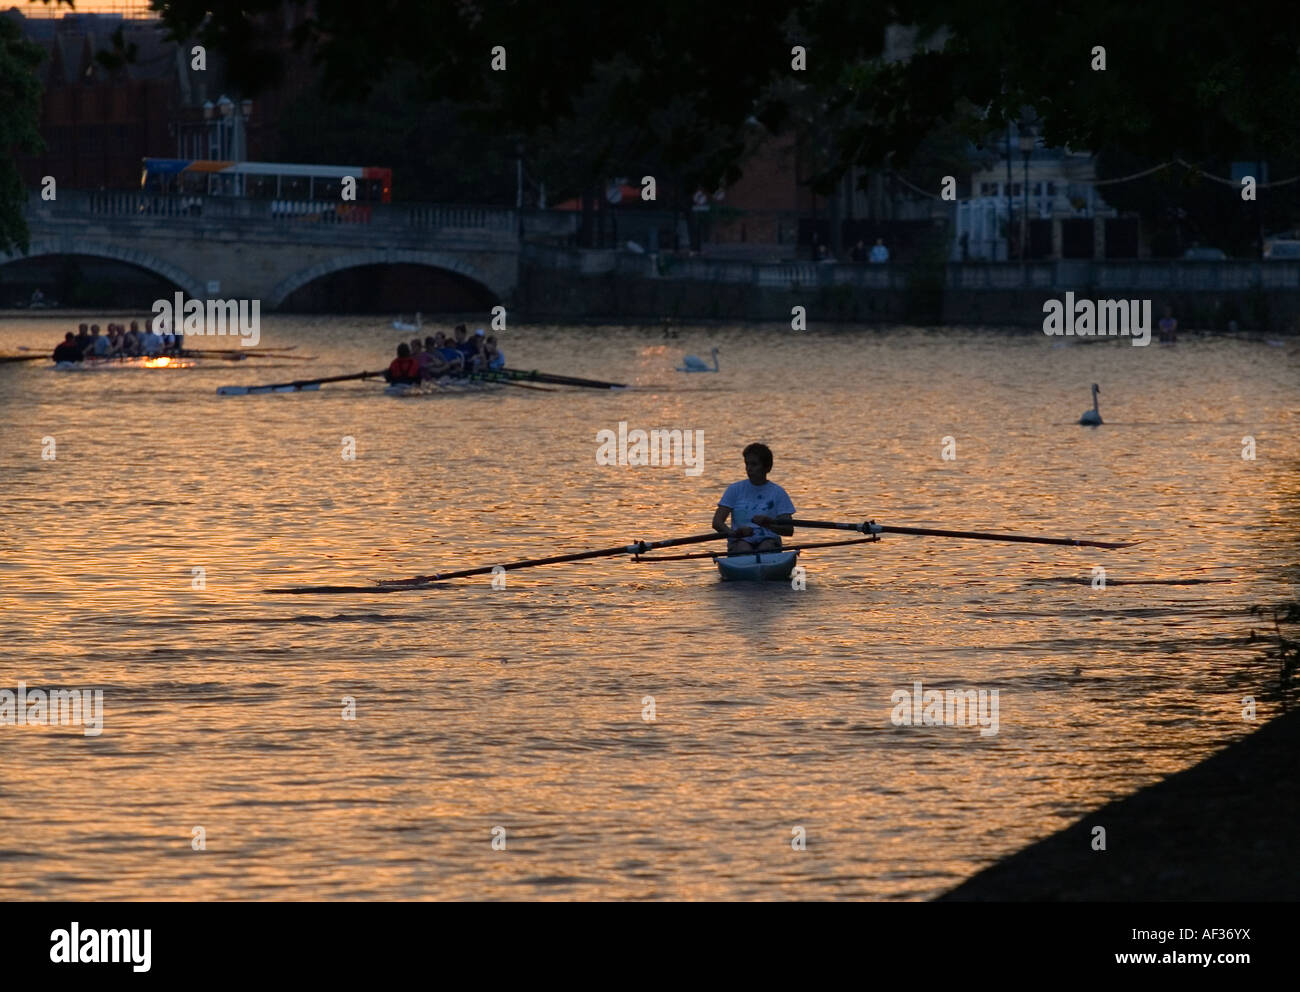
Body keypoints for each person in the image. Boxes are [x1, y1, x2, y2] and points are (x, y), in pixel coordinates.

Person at [711, 443, 795, 553]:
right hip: (740, 540)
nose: (749, 469)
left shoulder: (778, 492)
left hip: (769, 540)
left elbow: (789, 530)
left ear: (767, 468)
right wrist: (735, 533)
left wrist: (768, 524)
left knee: (765, 547)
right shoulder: (734, 489)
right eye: (747, 464)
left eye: (754, 464)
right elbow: (717, 522)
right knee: (744, 548)